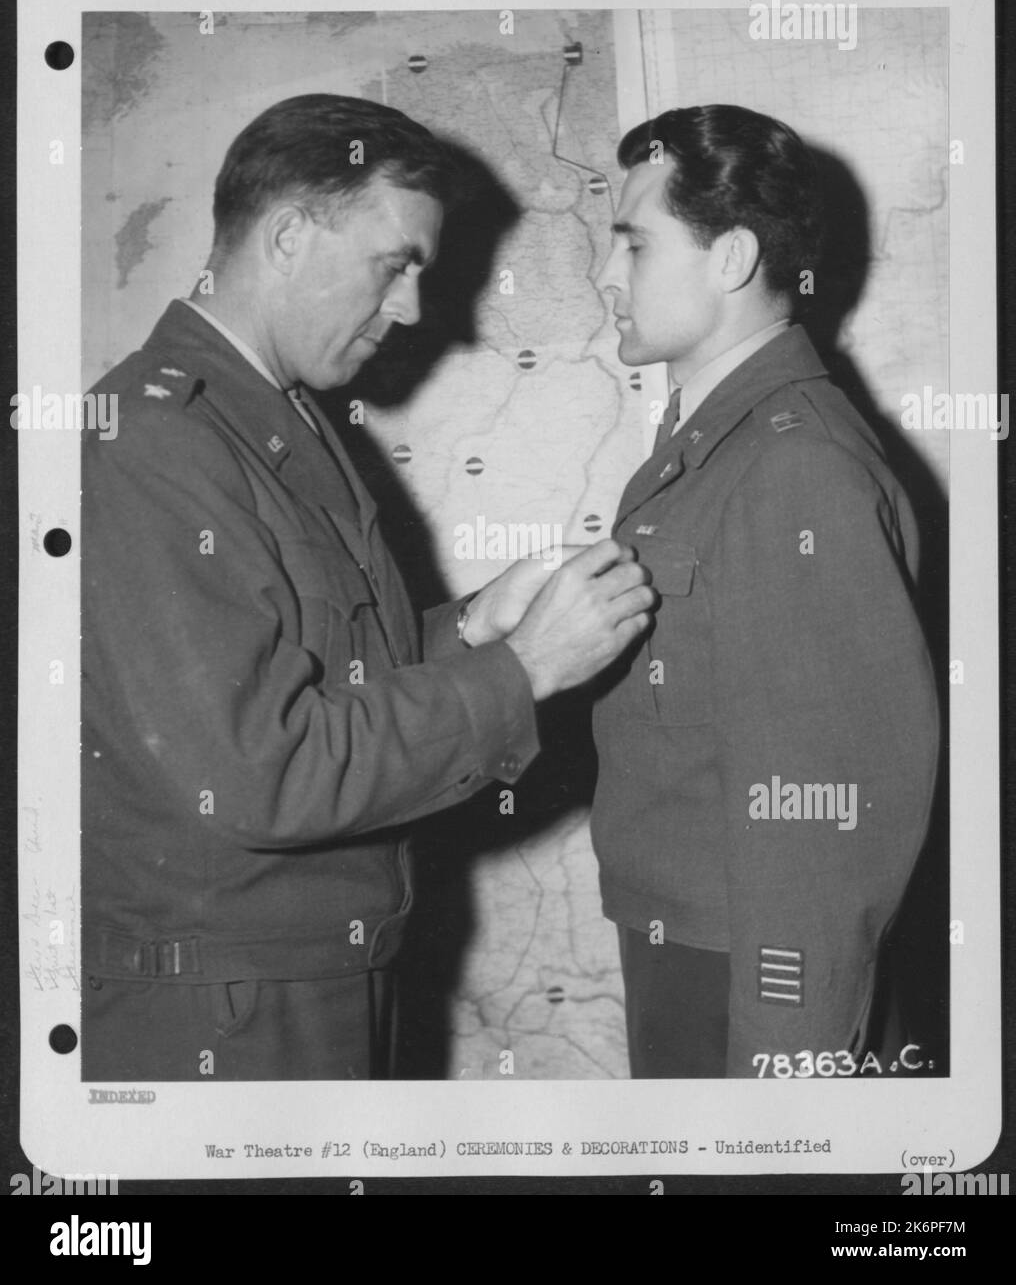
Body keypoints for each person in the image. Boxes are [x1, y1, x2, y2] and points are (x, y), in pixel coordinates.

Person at [81, 94, 655, 1081]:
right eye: (395, 266)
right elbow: (263, 770)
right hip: (225, 1016)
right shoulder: (152, 440)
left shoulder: (274, 418)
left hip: (312, 976)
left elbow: (332, 677)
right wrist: (522, 670)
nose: (412, 310)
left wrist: (476, 624)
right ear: (290, 235)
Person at [590, 104, 940, 1078]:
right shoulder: (708, 448)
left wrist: (786, 1083)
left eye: (631, 243)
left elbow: (818, 830)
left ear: (730, 255)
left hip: (745, 976)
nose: (602, 276)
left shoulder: (794, 470)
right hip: (689, 950)